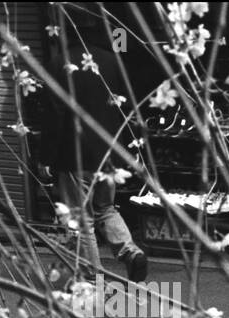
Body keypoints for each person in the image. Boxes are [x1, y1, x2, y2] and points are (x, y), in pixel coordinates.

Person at [47, 7, 147, 281]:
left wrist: (47, 157)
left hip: (75, 154)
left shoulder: (59, 64)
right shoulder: (111, 61)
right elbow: (123, 108)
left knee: (82, 219)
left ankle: (91, 276)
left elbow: (55, 115)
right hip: (108, 154)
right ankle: (130, 251)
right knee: (105, 208)